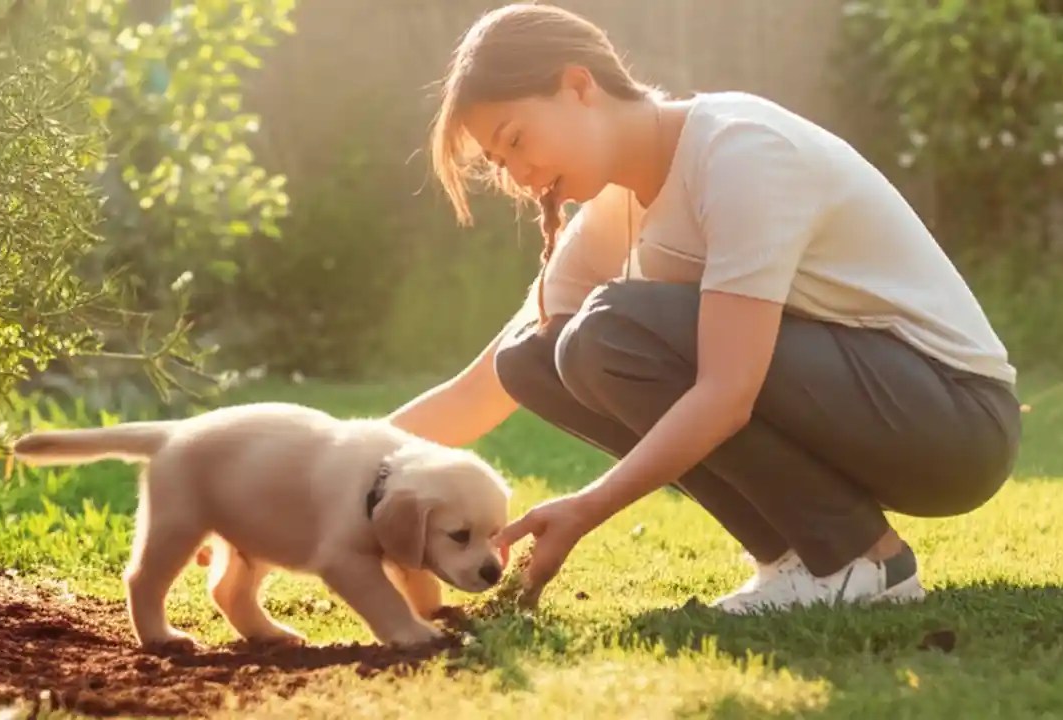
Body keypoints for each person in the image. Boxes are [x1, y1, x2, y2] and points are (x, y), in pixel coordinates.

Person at [385, 3, 1022, 615]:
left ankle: (860, 558)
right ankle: (798, 561)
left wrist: (586, 508)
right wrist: (345, 478)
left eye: (517, 139)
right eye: (501, 163)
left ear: (578, 86)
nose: (521, 176)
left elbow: (728, 392)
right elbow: (486, 386)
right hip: (864, 410)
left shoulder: (741, 151)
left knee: (604, 335)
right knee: (534, 357)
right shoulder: (617, 211)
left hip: (953, 424)